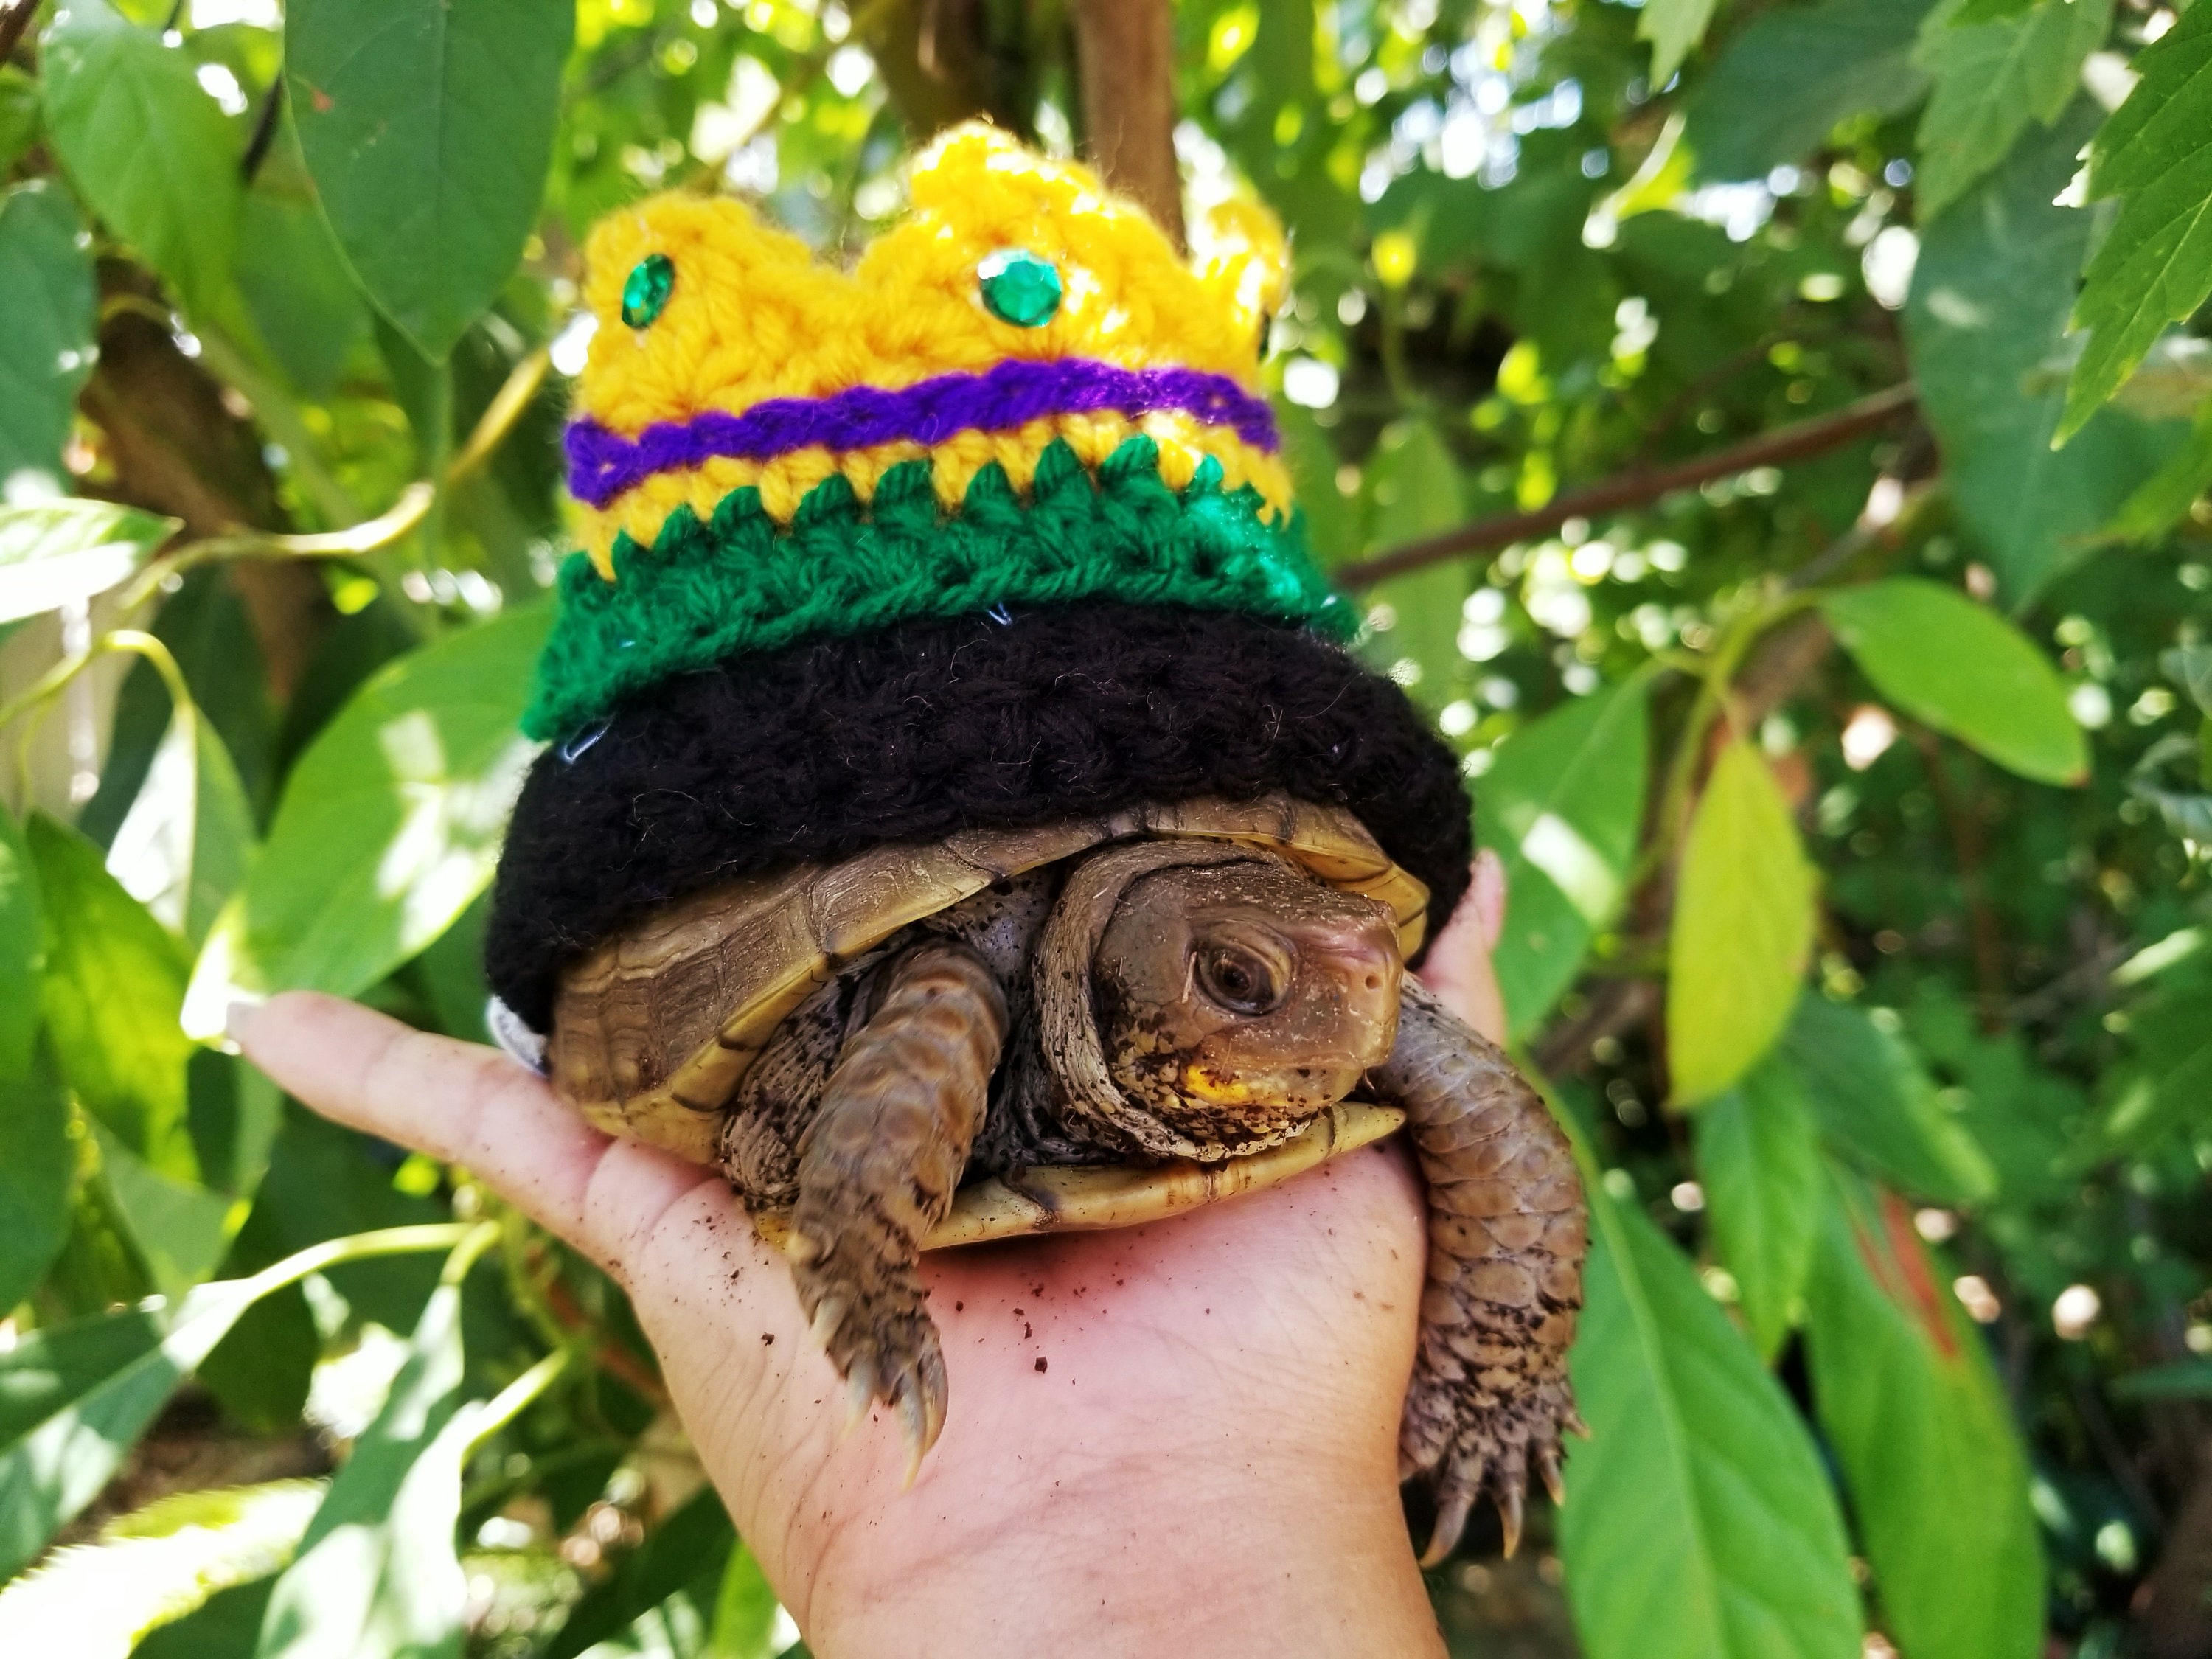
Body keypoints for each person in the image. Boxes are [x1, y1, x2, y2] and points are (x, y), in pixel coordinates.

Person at [231, 853, 1512, 1659]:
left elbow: (1492, 1124)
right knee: (947, 998)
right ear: (1120, 967)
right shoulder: (957, 990)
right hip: (857, 949)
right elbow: (932, 1027)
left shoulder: (1335, 994)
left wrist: (1493, 1357)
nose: (1363, 1013)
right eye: (1238, 978)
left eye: (1376, 972)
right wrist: (859, 1241)